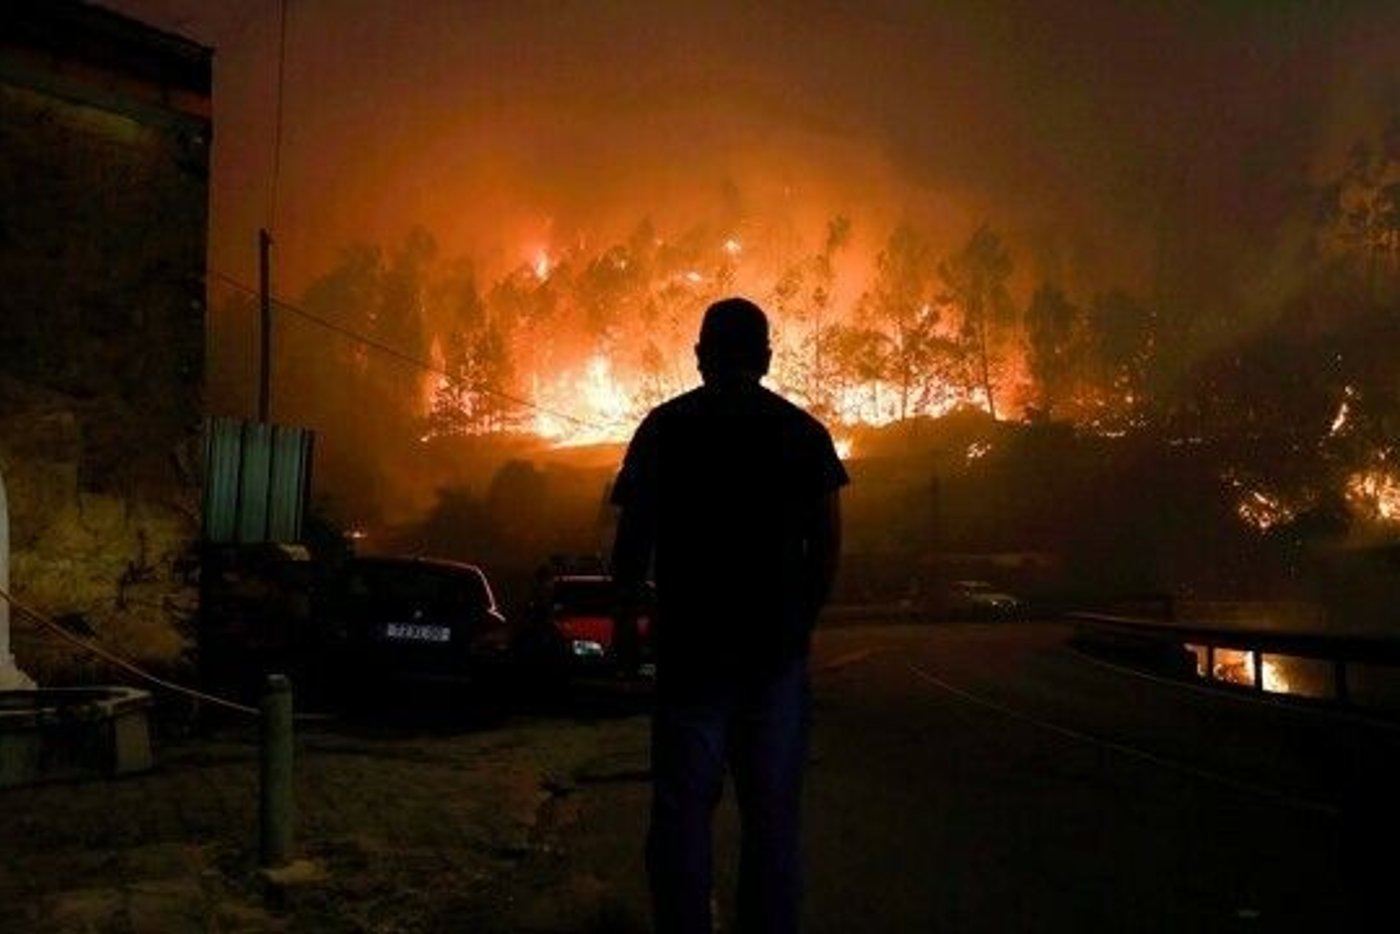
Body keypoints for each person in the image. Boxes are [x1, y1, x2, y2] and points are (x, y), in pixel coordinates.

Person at [610, 296, 848, 934]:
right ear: (767, 358)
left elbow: (632, 545)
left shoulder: (664, 428)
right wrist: (800, 625)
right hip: (772, 657)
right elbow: (827, 546)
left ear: (700, 356)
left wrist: (628, 629)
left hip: (690, 654)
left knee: (683, 817)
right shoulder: (803, 434)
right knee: (771, 822)